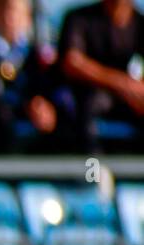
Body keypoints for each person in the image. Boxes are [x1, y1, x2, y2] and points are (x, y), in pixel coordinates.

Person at [0, 0, 65, 153]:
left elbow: (40, 85)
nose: (9, 17)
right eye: (4, 11)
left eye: (16, 12)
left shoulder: (32, 54)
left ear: (27, 18)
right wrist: (24, 106)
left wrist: (40, 103)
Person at [58, 0, 144, 153]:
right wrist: (122, 83)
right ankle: (91, 172)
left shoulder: (140, 24)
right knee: (87, 107)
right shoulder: (80, 19)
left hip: (130, 101)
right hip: (89, 99)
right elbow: (72, 63)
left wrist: (137, 90)